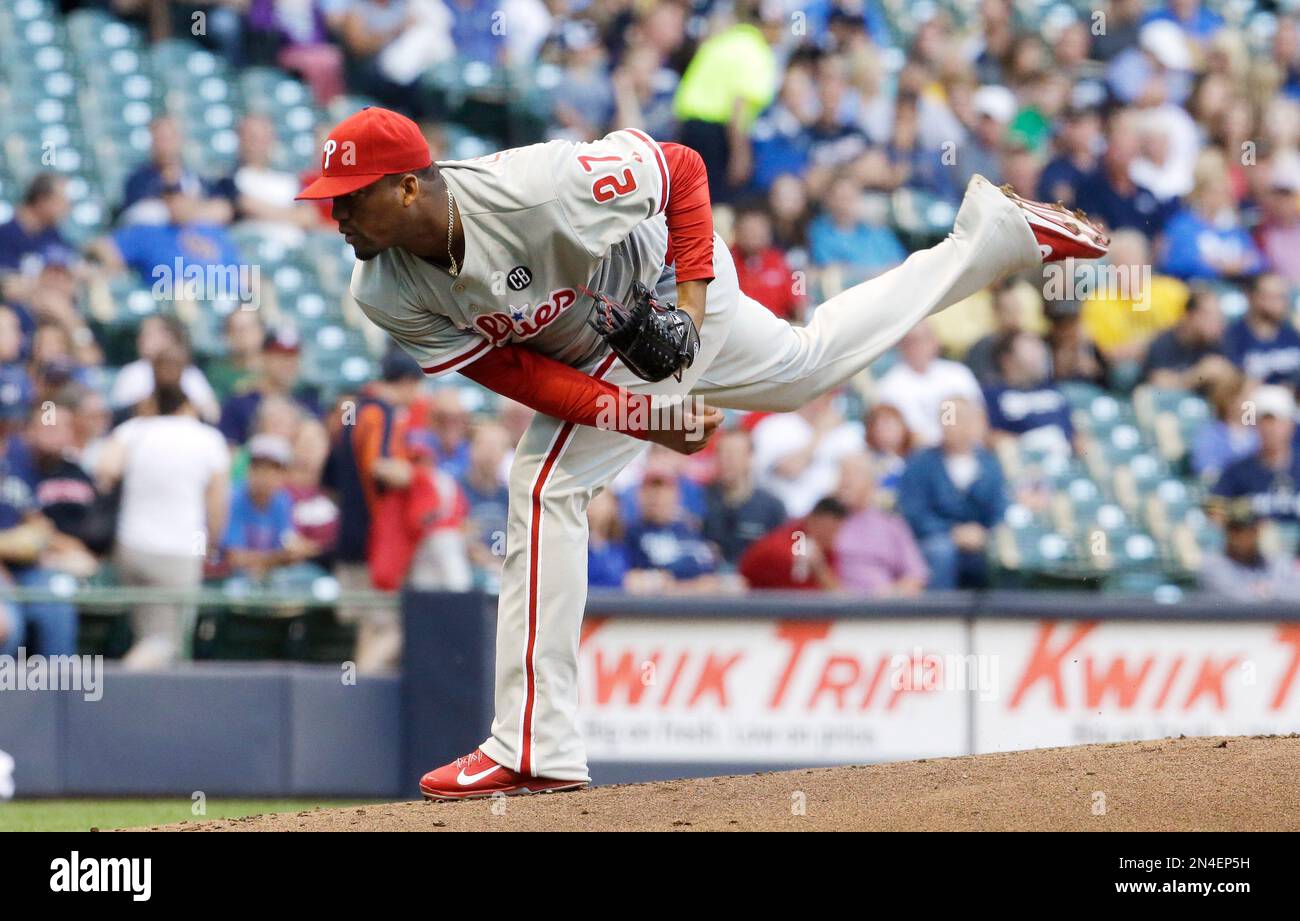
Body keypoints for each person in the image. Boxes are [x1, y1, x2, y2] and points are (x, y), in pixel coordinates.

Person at [293, 106, 1105, 798]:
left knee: (542, 485)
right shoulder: (382, 288)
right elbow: (514, 371)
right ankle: (994, 239)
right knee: (802, 368)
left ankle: (534, 744)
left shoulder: (537, 185)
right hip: (607, 353)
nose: (336, 216)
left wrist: (685, 307)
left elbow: (679, 167)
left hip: (674, 283)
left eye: (349, 198)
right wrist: (638, 414)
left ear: (407, 186)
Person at [96, 368, 230, 670]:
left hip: (131, 547)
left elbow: (106, 471)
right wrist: (212, 544)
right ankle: (120, 687)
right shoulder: (208, 438)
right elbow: (218, 504)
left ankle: (142, 703)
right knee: (168, 641)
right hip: (179, 552)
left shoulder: (135, 430)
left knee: (147, 632)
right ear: (190, 402)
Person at [897, 398, 1007, 590]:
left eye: (957, 418)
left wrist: (983, 534)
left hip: (980, 538)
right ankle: (938, 615)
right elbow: (913, 512)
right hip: (935, 539)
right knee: (941, 551)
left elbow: (1000, 509)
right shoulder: (920, 462)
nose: (951, 426)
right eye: (946, 419)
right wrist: (952, 532)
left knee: (1003, 554)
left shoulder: (990, 465)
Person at [874, 320, 984, 447]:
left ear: (936, 341)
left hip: (965, 449)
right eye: (912, 341)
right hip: (918, 457)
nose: (919, 346)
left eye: (925, 338)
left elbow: (978, 418)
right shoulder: (889, 386)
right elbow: (898, 436)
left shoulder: (958, 374)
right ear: (901, 346)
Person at [832, 458, 928, 596]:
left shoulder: (891, 524)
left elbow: (916, 575)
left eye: (854, 476)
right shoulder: (823, 523)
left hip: (881, 606)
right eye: (843, 475)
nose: (846, 482)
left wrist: (892, 593)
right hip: (835, 605)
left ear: (872, 485)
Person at [1213, 385, 1300, 521]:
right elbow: (1215, 513)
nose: (1271, 429)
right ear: (1255, 425)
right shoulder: (1238, 472)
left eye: (1277, 422)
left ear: (1290, 425)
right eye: (1264, 422)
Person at [701, 427, 786, 565]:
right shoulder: (701, 499)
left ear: (750, 458)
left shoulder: (771, 507)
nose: (726, 460)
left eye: (733, 454)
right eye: (721, 453)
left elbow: (780, 554)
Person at [738, 496, 848, 590]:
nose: (831, 536)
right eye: (827, 529)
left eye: (836, 531)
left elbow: (838, 596)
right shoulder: (780, 547)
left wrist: (819, 568)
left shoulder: (826, 549)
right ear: (812, 520)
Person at [1201, 500, 1300, 601]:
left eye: (1250, 529)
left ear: (1258, 531)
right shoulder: (1212, 565)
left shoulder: (1274, 562)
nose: (1244, 535)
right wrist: (1270, 590)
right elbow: (1237, 599)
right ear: (1227, 531)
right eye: (1237, 529)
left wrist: (1269, 591)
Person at [1141, 286, 1233, 391]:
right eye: (1209, 316)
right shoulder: (1163, 342)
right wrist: (1198, 375)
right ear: (1189, 315)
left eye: (1219, 317)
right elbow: (1158, 382)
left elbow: (1231, 378)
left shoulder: (1215, 342)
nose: (1217, 323)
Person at [1221, 273, 1300, 387]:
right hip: (1253, 400)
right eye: (1272, 296)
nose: (1280, 303)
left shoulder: (1292, 333)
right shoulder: (1234, 336)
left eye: (1282, 296)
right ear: (1252, 297)